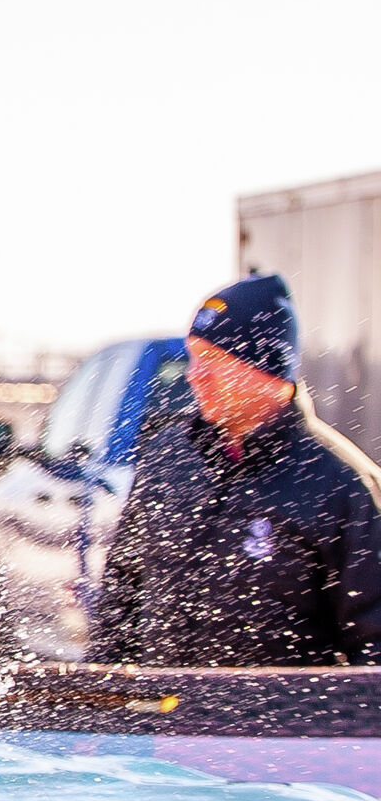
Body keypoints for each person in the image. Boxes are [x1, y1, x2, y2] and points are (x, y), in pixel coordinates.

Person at [91, 273, 381, 666]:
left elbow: (373, 644)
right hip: (162, 720)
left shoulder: (341, 486)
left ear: (266, 369)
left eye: (213, 360)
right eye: (194, 358)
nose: (195, 375)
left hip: (278, 724)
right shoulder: (167, 457)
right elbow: (120, 597)